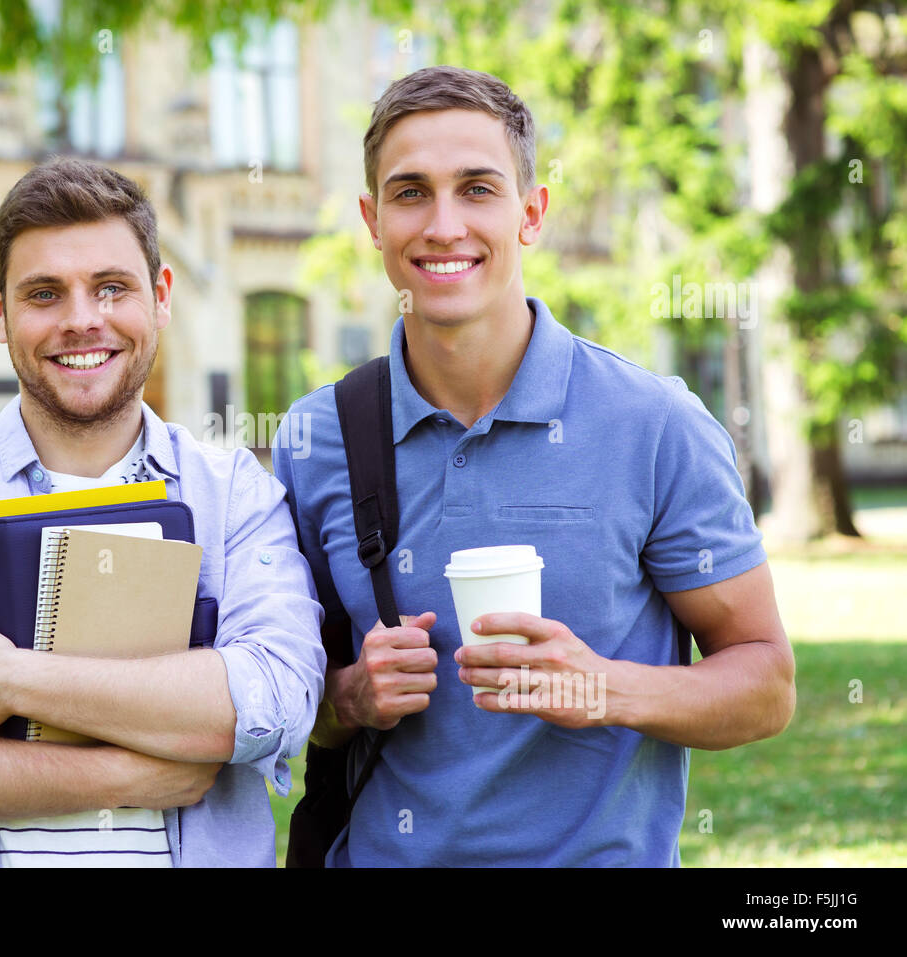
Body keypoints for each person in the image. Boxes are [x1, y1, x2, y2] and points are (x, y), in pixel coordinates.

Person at [272, 65, 795, 866]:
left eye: (477, 189)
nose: (443, 225)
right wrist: (348, 698)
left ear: (532, 213)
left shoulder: (653, 423)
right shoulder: (317, 438)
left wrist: (604, 687)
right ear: (373, 221)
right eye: (411, 193)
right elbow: (277, 692)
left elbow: (765, 683)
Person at [0, 158, 324, 867]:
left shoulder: (235, 493)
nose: (82, 320)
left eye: (112, 287)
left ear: (161, 296)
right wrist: (127, 774)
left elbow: (276, 701)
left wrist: (12, 679)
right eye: (44, 293)